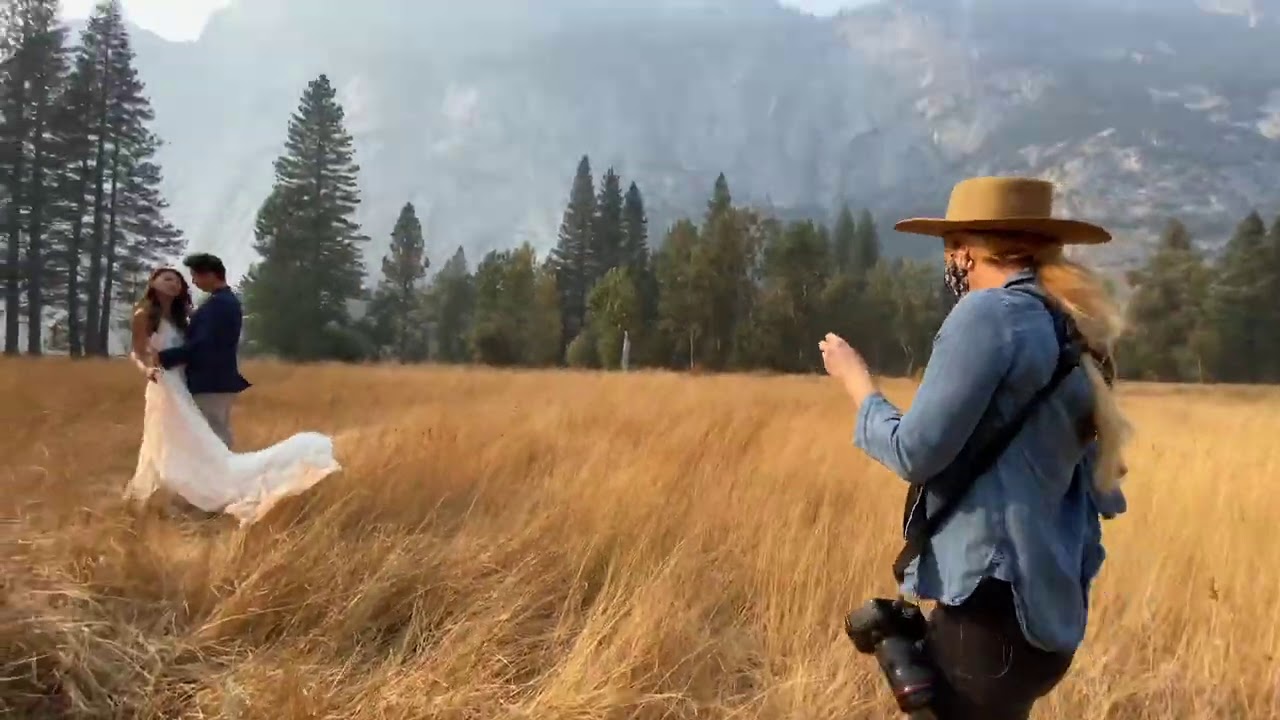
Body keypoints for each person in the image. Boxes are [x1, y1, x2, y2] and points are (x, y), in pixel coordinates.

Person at [819, 176, 1131, 720]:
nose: (948, 260)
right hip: (1046, 615)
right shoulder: (1070, 325)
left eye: (949, 246)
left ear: (965, 249)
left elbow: (914, 451)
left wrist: (857, 384)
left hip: (989, 613)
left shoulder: (988, 316)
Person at [124, 263, 342, 526]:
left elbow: (199, 346)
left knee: (196, 440)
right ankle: (169, 496)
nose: (174, 283)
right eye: (167, 278)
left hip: (184, 382)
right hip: (163, 382)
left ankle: (196, 494)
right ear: (154, 282)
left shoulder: (184, 318)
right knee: (165, 439)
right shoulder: (144, 314)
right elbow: (137, 352)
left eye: (178, 280)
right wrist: (147, 369)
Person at [155, 253, 249, 448]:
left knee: (213, 437)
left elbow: (202, 345)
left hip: (211, 381)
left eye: (195, 276)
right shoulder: (222, 302)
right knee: (213, 433)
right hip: (217, 379)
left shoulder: (219, 305)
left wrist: (163, 357)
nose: (194, 282)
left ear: (210, 275)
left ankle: (223, 475)